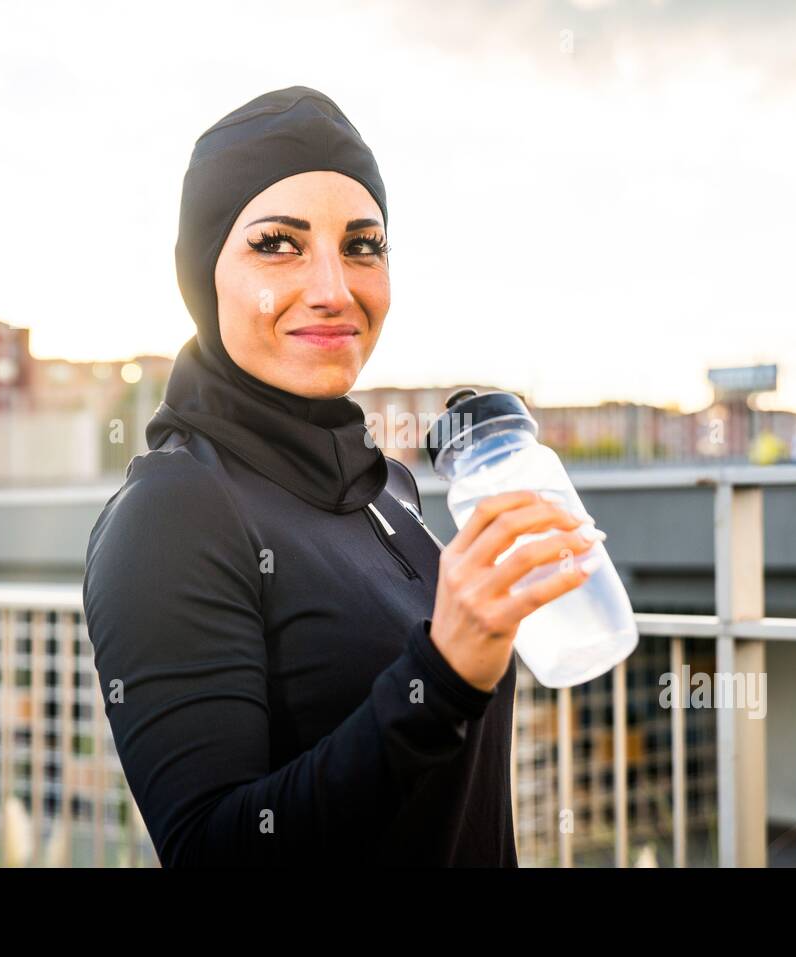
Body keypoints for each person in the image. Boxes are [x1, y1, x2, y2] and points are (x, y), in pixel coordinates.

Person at [82, 86, 602, 866]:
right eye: (277, 243)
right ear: (203, 276)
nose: (333, 288)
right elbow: (211, 850)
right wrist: (443, 675)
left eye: (362, 245)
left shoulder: (390, 487)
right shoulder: (172, 511)